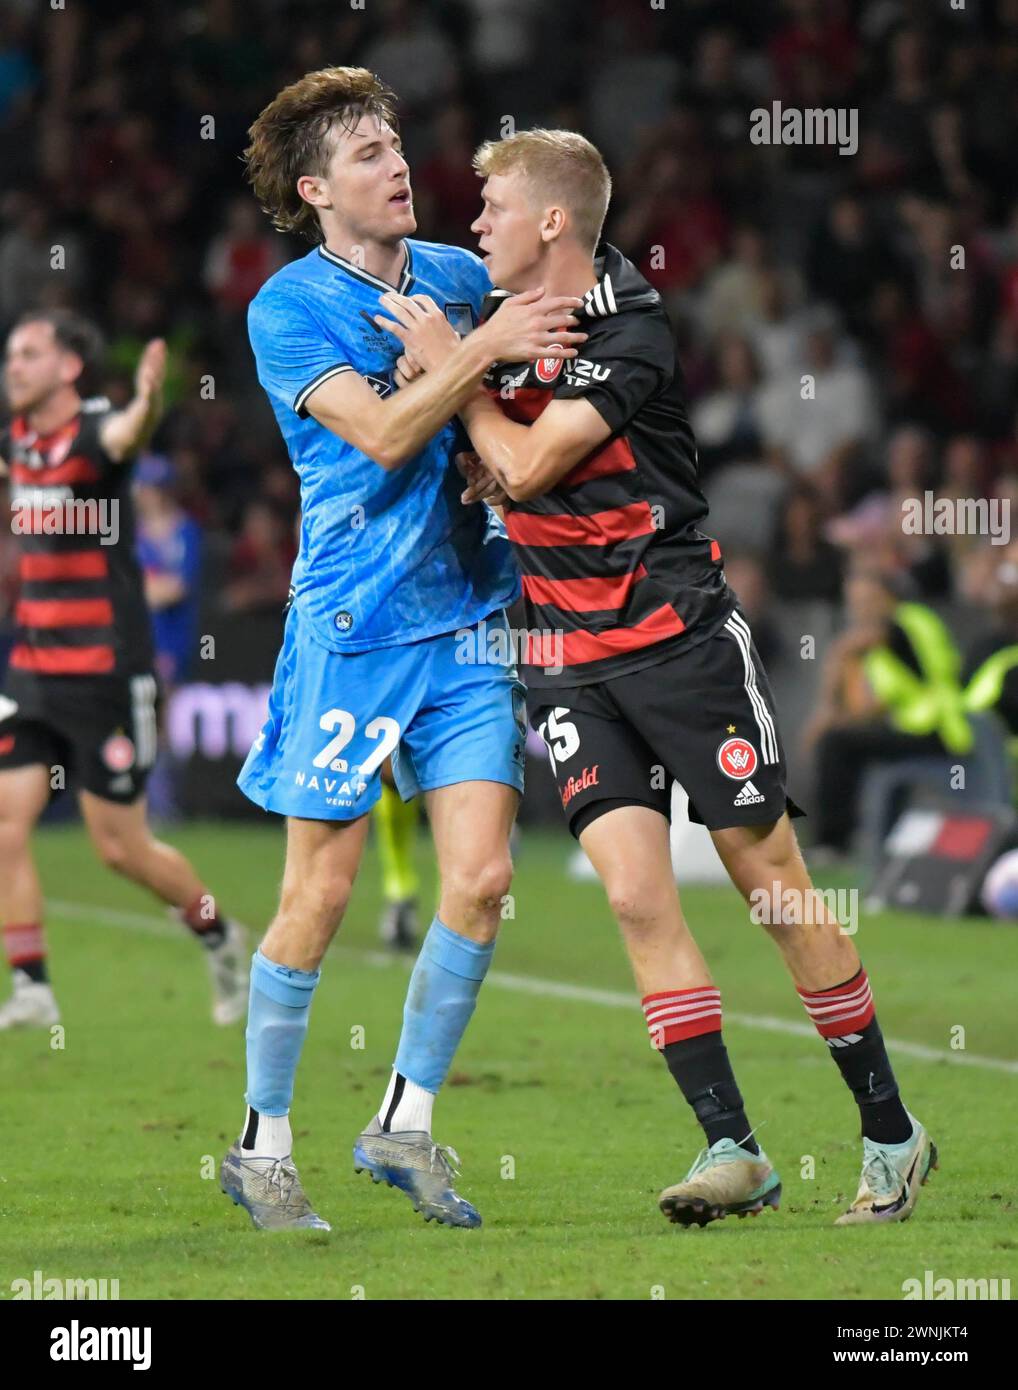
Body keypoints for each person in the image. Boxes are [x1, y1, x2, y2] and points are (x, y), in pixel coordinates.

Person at [382, 128, 936, 1228]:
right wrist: (470, 366)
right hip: (565, 659)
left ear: (552, 222)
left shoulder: (630, 321)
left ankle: (891, 1135)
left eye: (492, 206)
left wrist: (456, 367)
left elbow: (525, 465)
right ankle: (733, 1148)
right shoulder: (497, 326)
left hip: (678, 640)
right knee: (636, 896)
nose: (475, 222)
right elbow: (471, 464)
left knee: (771, 883)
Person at [219, 67, 585, 1232]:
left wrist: (492, 417)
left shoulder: (457, 277)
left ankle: (406, 1123)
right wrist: (467, 358)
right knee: (318, 894)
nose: (399, 164)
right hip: (355, 625)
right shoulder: (288, 309)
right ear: (319, 187)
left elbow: (509, 403)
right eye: (371, 153)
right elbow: (379, 435)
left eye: (395, 142)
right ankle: (262, 1145)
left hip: (472, 620)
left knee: (481, 879)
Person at [0, 310, 247, 1029]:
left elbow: (126, 436)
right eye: (10, 354)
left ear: (68, 368)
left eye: (27, 353)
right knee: (5, 824)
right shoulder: (18, 438)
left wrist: (147, 404)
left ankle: (216, 930)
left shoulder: (95, 431)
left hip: (105, 673)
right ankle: (34, 988)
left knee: (120, 849)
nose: (12, 365)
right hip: (30, 667)